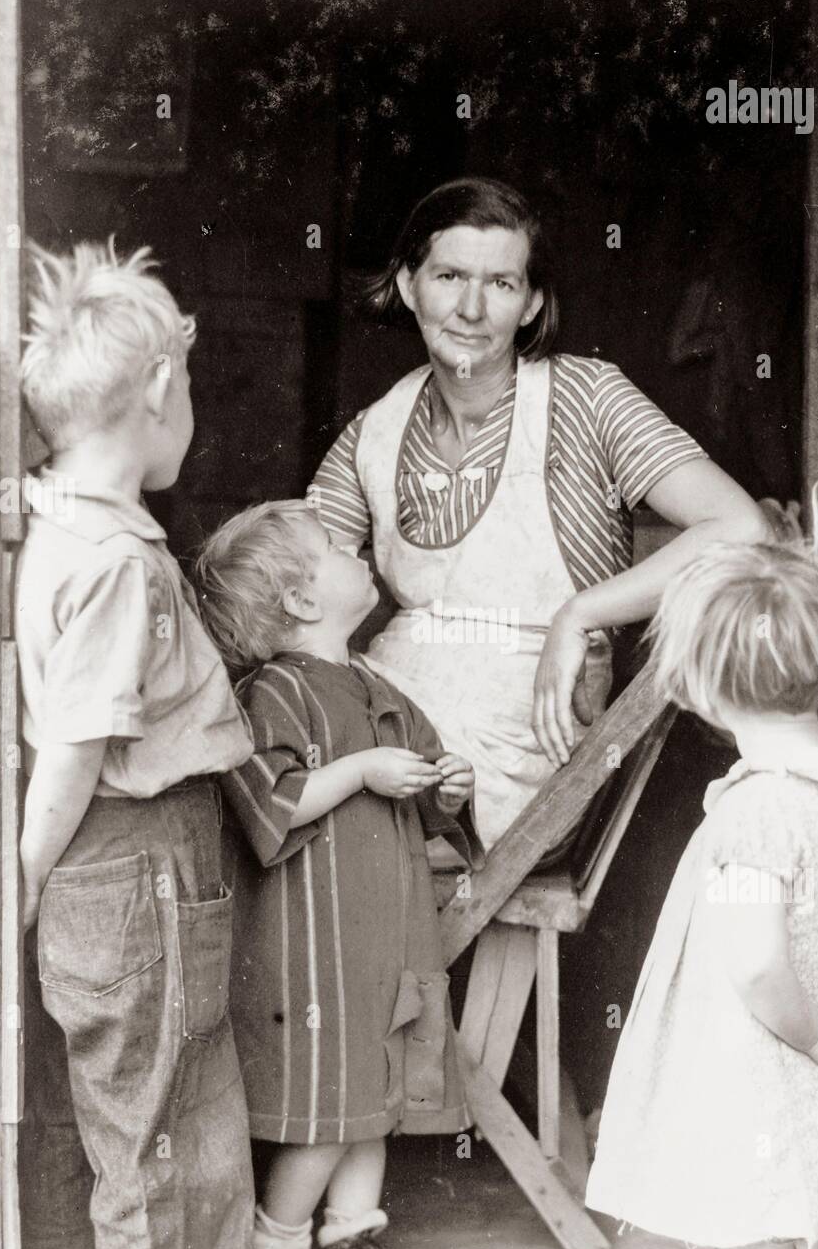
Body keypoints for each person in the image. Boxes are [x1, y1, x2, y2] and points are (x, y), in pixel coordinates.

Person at [312, 176, 771, 849]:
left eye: (500, 284)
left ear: (531, 304)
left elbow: (741, 527)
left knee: (331, 818)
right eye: (449, 276)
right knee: (295, 771)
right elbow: (282, 578)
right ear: (409, 285)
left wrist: (580, 614)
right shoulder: (374, 431)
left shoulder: (588, 398)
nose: (471, 308)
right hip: (395, 716)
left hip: (528, 746)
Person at [17, 240, 255, 1249]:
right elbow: (73, 749)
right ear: (161, 385)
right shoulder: (120, 567)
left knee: (109, 1122)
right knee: (174, 1143)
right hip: (142, 869)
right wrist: (17, 880)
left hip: (106, 874)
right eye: (190, 382)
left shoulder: (46, 520)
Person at [585, 532, 818, 1249]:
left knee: (748, 1240)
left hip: (759, 1061)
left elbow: (757, 963)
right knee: (772, 1226)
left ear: (696, 690)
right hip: (790, 1057)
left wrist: (816, 1033)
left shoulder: (755, 812)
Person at [195, 501, 478, 1249]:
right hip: (317, 948)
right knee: (327, 1113)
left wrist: (446, 787)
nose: (356, 550)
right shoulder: (272, 694)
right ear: (301, 600)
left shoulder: (369, 682)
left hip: (382, 940)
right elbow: (268, 801)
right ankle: (278, 1247)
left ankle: (348, 1244)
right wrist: (359, 771)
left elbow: (423, 783)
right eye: (334, 547)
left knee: (373, 1108)